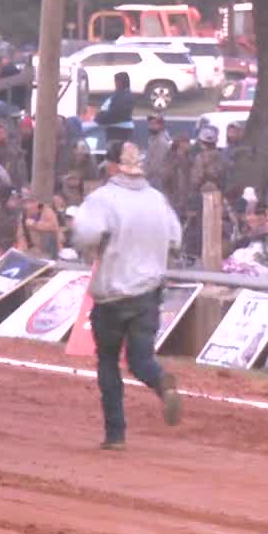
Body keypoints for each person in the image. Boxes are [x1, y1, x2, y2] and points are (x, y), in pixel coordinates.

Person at [68, 142, 184, 451]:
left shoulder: (103, 199)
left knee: (108, 360)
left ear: (112, 166)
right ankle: (160, 382)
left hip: (113, 292)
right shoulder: (157, 200)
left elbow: (84, 235)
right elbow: (176, 239)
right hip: (148, 291)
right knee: (141, 358)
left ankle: (115, 433)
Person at [95, 73, 135, 147]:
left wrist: (99, 118)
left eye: (116, 81)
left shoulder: (124, 97)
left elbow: (114, 114)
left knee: (115, 152)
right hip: (115, 129)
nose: (115, 84)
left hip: (118, 131)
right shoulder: (119, 94)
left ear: (121, 82)